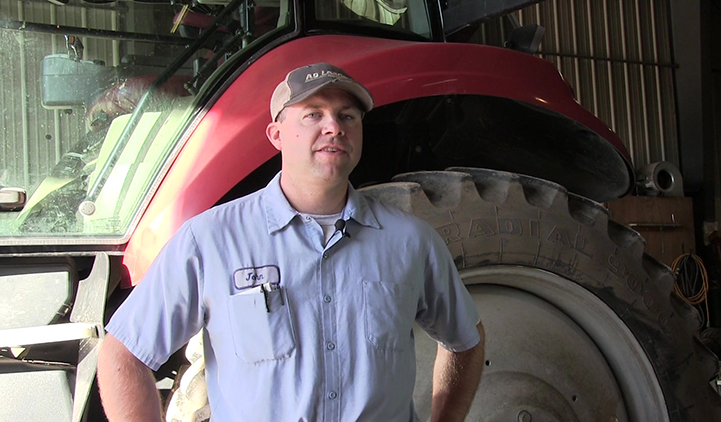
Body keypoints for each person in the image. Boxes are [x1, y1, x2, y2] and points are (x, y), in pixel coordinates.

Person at [97, 62, 485, 422]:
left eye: (347, 116)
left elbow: (466, 339)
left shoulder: (411, 242)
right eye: (313, 114)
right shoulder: (210, 240)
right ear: (276, 135)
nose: (334, 127)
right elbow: (124, 354)